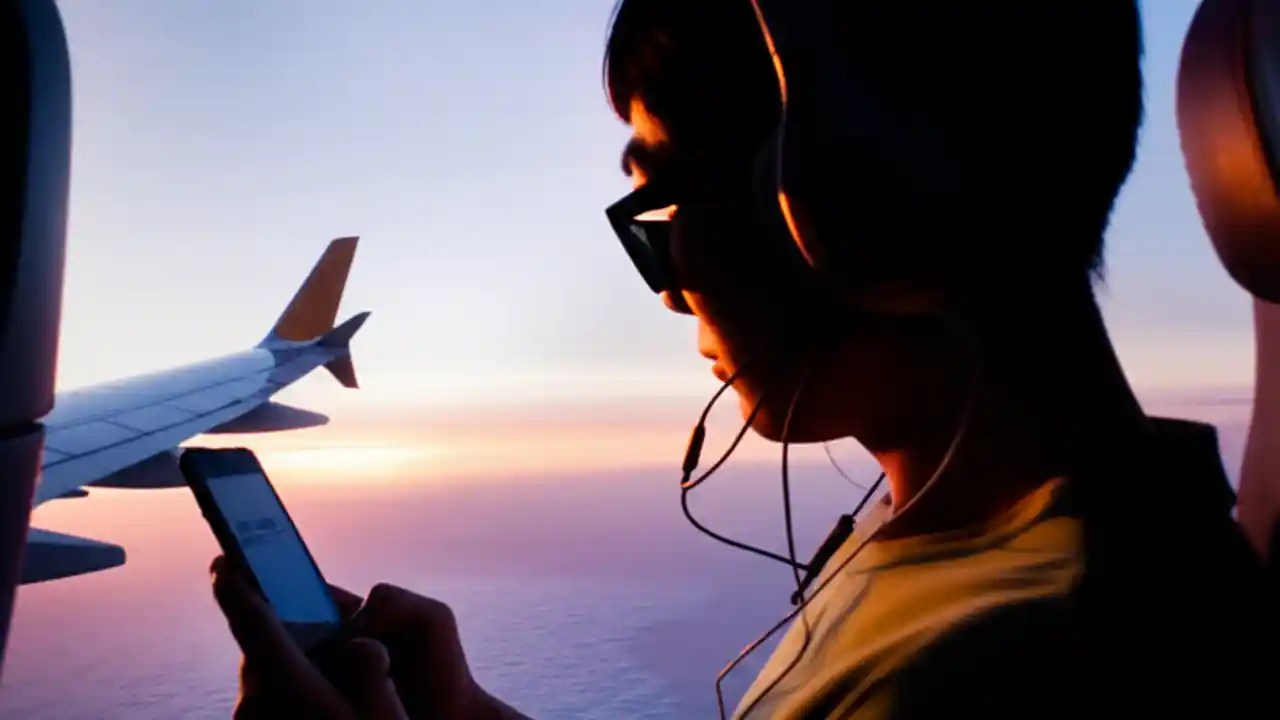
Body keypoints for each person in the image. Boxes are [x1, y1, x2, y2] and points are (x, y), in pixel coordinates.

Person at [210, 1, 1280, 718]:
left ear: (856, 200)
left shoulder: (1001, 668)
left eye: (665, 193)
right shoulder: (1006, 539)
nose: (666, 279)